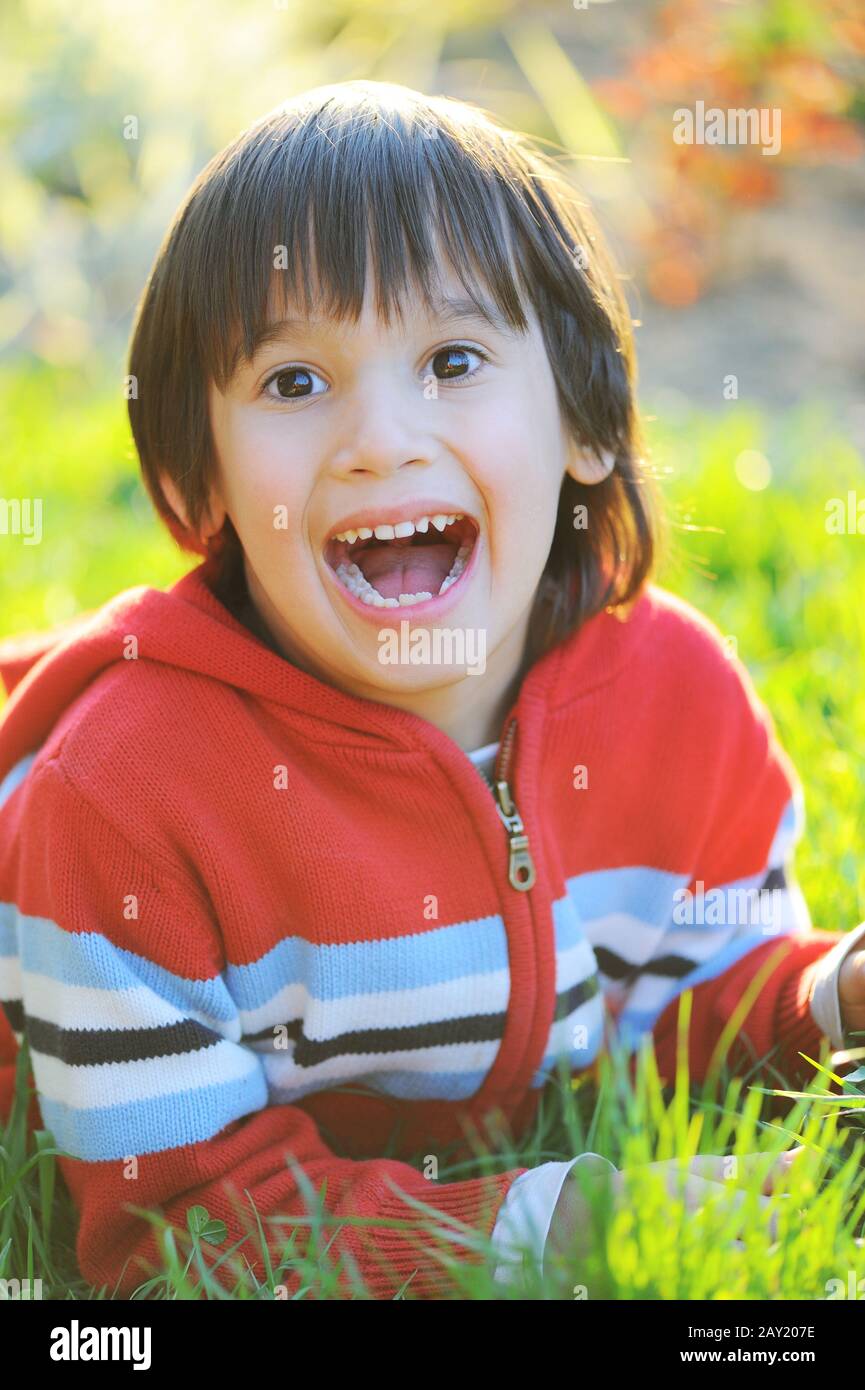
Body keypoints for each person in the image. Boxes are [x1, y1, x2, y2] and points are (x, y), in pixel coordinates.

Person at [1, 80, 864, 1299]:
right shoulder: (124, 806)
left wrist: (830, 1001)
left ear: (586, 419)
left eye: (453, 359)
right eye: (294, 382)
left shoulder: (681, 710)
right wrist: (569, 1224)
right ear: (201, 483)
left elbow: (679, 1007)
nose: (380, 438)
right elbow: (185, 1236)